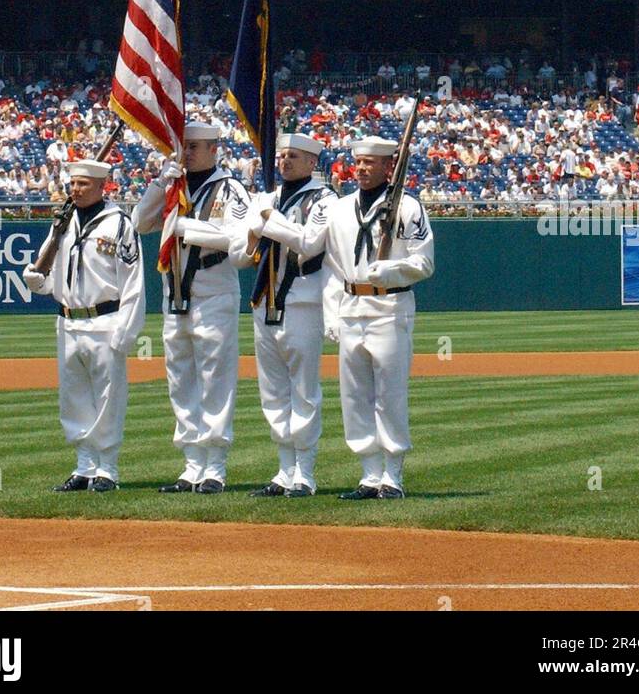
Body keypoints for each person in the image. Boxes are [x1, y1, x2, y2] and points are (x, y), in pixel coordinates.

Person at [254, 135, 433, 498]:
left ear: (389, 167)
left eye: (371, 163)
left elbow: (424, 262)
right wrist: (332, 312)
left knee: (390, 394)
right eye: (359, 162)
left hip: (389, 307)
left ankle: (393, 475)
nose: (363, 169)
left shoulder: (409, 207)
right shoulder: (339, 208)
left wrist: (394, 271)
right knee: (355, 397)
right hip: (351, 307)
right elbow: (329, 265)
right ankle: (369, 474)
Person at [132, 122, 250, 492]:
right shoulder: (173, 187)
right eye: (183, 147)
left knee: (215, 378)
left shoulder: (229, 188)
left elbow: (238, 237)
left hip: (213, 290)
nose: (187, 153)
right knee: (180, 378)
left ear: (214, 149)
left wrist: (188, 228)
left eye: (195, 146)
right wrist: (158, 184)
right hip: (176, 294)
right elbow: (140, 222)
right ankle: (191, 463)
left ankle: (215, 464)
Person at [24, 159, 145, 491]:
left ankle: (107, 468)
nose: (75, 190)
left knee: (108, 397)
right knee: (74, 398)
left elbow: (133, 282)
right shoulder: (63, 223)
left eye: (83, 184)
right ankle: (84, 465)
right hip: (68, 321)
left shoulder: (118, 223)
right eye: (72, 184)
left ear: (101, 186)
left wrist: (127, 329)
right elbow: (46, 277)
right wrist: (35, 278)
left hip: (105, 319)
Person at [241, 133, 334, 497]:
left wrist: (267, 216)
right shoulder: (269, 198)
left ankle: (306, 473)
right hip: (265, 302)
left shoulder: (324, 199)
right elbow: (244, 249)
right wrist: (257, 221)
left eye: (293, 156)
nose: (284, 162)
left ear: (312, 162)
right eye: (281, 156)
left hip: (302, 302)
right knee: (273, 392)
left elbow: (309, 243)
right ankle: (284, 470)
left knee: (304, 390)